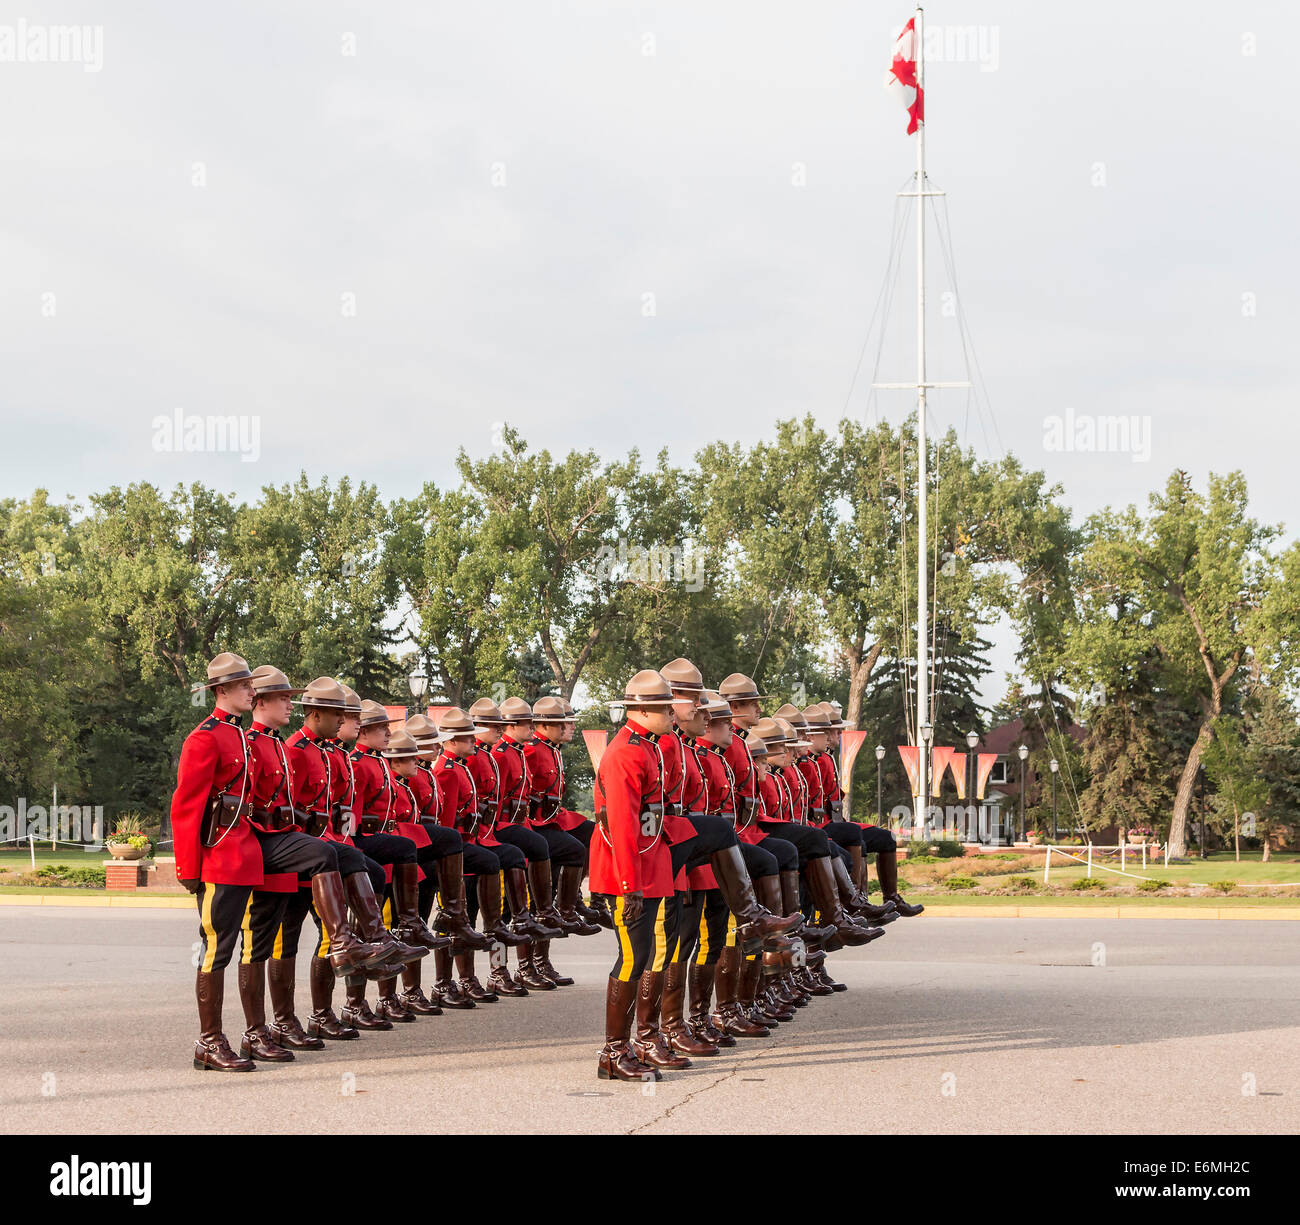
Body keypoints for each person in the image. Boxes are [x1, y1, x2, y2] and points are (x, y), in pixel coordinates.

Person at [284, 678, 415, 1042]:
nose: (349, 722)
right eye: (344, 715)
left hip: (330, 846)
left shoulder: (331, 753)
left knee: (349, 925)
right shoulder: (296, 749)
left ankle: (378, 941)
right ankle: (321, 1012)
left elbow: (342, 810)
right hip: (308, 851)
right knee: (322, 938)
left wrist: (343, 842)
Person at [171, 653, 264, 1071]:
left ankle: (248, 1034)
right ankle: (208, 1041)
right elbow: (187, 808)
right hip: (217, 859)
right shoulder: (204, 738)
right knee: (215, 951)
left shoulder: (242, 737)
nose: (252, 691)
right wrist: (189, 871)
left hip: (243, 855)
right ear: (222, 691)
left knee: (238, 948)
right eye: (244, 686)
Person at [590, 670, 680, 1082]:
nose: (671, 713)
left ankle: (632, 1044)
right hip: (625, 870)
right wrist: (630, 888)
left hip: (645, 863)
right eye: (664, 708)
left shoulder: (648, 746)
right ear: (642, 710)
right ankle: (612, 1052)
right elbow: (622, 827)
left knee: (641, 955)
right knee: (631, 958)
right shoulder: (626, 752)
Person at [815, 701, 924, 917]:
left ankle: (891, 897)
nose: (839, 736)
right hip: (823, 823)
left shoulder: (827, 758)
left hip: (835, 820)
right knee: (854, 835)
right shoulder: (817, 760)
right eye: (837, 731)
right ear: (826, 734)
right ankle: (857, 902)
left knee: (886, 838)